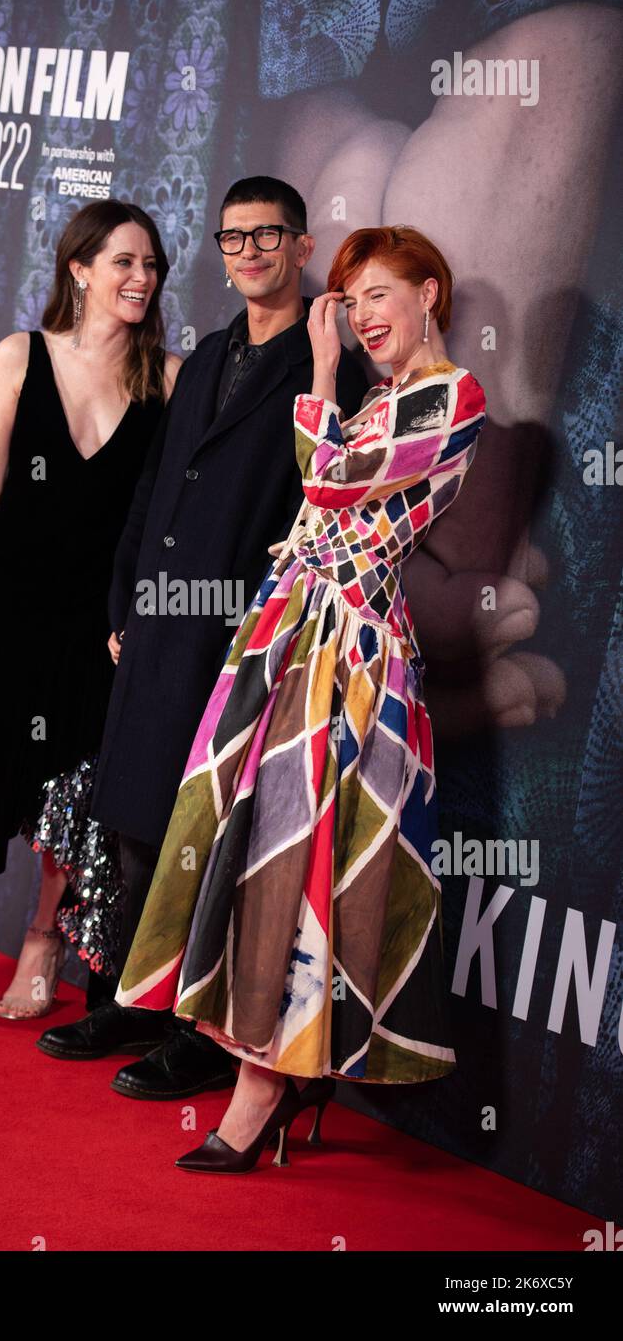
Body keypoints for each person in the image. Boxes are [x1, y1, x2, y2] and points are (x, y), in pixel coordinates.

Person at [115, 225, 487, 1173]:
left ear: (428, 297)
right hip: (289, 639)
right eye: (350, 301)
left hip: (351, 658)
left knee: (297, 866)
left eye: (379, 297)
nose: (361, 317)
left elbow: (322, 481)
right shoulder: (381, 403)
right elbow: (315, 508)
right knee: (248, 856)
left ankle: (260, 1092)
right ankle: (269, 1075)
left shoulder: (453, 398)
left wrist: (316, 370)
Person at [36, 177, 368, 1093]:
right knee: (138, 815)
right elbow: (156, 486)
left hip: (245, 632)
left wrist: (266, 621)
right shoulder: (207, 353)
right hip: (154, 625)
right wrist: (122, 603)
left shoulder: (325, 357)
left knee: (215, 827)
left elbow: (332, 492)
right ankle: (131, 1004)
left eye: (268, 237)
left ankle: (200, 1033)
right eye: (233, 239)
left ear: (303, 249)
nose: (249, 253)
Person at [0, 200, 181, 1031]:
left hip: (101, 616)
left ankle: (44, 941)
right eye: (123, 261)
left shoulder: (169, 377)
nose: (140, 278)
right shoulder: (21, 355)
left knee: (76, 778)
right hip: (13, 598)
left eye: (151, 265)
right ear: (78, 269)